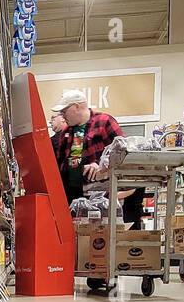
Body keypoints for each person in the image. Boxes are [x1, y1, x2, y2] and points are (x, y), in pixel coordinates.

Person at [51, 89, 143, 229]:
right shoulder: (66, 133)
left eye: (65, 111)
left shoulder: (104, 122)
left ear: (76, 106)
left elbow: (123, 154)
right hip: (78, 199)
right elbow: (61, 166)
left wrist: (101, 165)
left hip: (105, 197)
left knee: (103, 239)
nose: (62, 116)